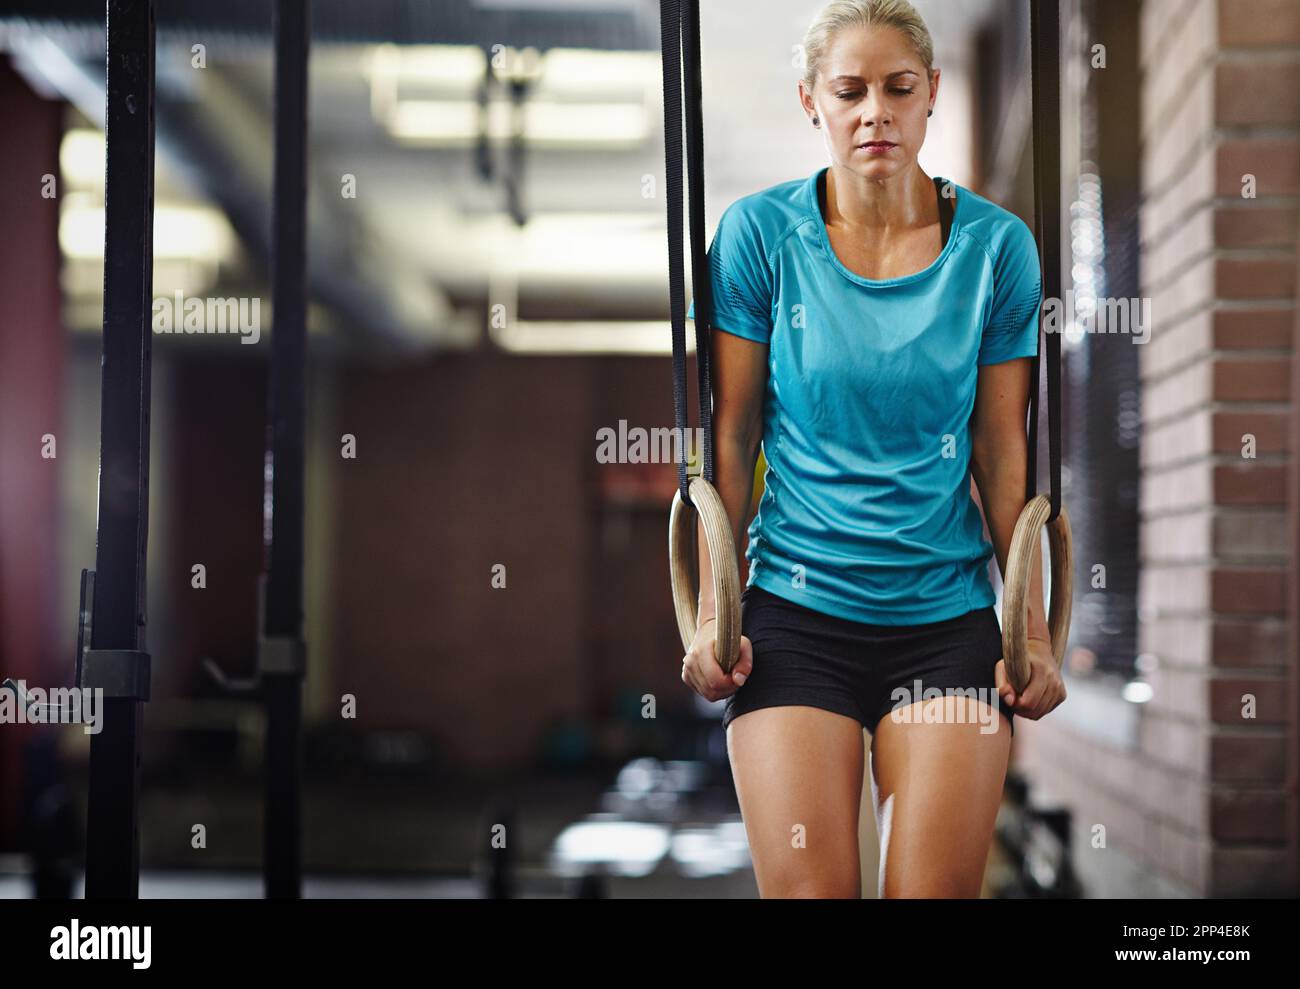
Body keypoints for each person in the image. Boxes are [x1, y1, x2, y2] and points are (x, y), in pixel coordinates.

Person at [680, 0, 1066, 898]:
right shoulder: (759, 238)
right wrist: (710, 611)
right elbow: (732, 439)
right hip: (793, 614)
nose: (874, 113)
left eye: (898, 89)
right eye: (849, 91)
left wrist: (1034, 627)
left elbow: (1003, 456)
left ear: (931, 94)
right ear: (811, 100)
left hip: (944, 616)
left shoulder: (997, 250)